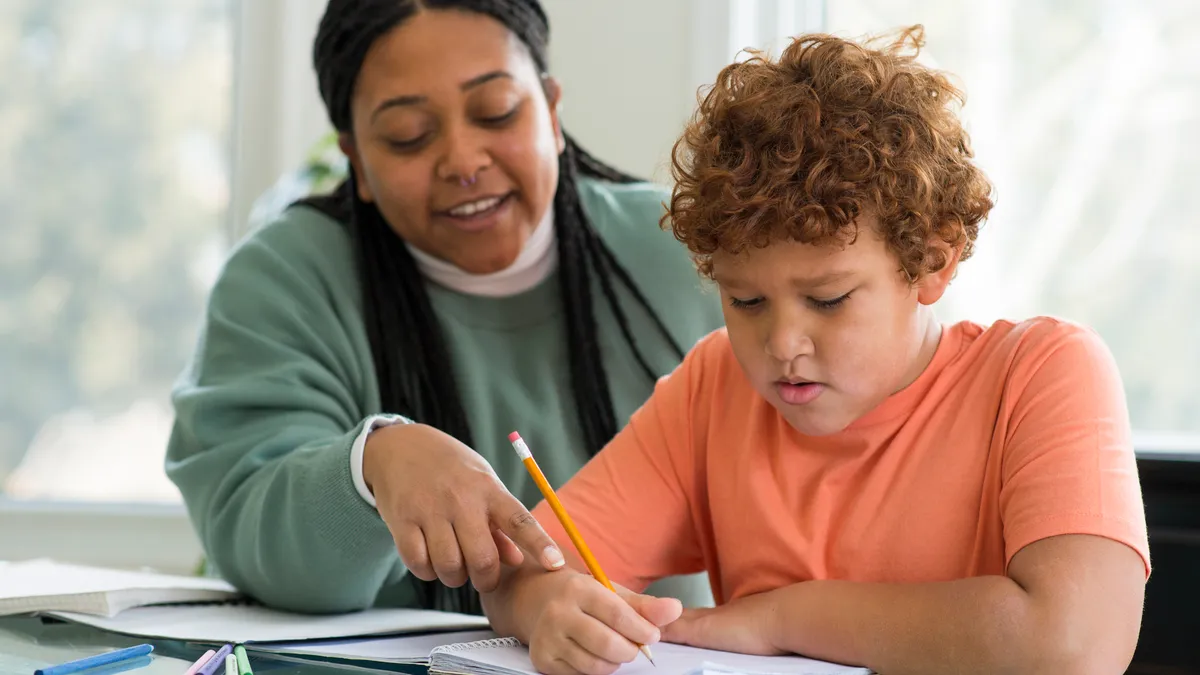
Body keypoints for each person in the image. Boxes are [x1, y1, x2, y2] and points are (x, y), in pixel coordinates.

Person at [481, 26, 1150, 675]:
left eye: (828, 300)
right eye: (745, 301)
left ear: (934, 261)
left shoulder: (1042, 372)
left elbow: (1074, 644)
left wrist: (781, 620)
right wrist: (546, 606)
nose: (781, 344)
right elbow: (522, 570)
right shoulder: (715, 387)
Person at [165, 0, 723, 615]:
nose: (463, 161)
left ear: (553, 112)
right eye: (409, 136)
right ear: (358, 165)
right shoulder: (284, 279)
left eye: (496, 112)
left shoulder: (689, 246)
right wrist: (369, 466)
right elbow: (248, 525)